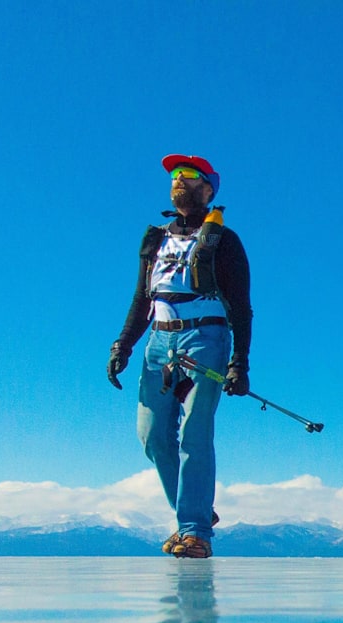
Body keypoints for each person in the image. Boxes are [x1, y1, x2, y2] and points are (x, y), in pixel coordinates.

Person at [107, 154, 253, 559]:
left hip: (205, 338)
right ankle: (197, 512)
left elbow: (241, 306)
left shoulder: (224, 241)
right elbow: (142, 297)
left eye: (188, 176)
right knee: (152, 436)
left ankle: (195, 531)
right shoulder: (154, 239)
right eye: (174, 175)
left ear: (208, 189)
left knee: (195, 433)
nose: (178, 181)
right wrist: (124, 344)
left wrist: (239, 362)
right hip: (158, 342)